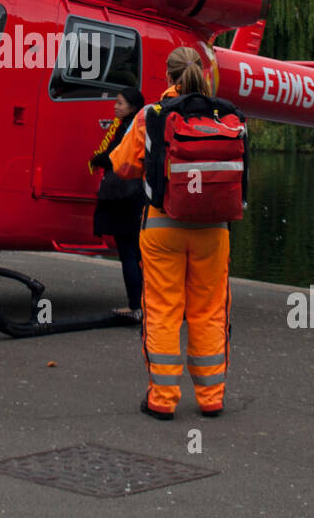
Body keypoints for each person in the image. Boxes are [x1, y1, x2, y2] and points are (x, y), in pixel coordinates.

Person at [109, 48, 231, 420]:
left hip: (163, 226)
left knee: (162, 310)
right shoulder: (225, 113)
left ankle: (162, 400)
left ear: (167, 76)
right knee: (209, 311)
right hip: (214, 227)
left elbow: (123, 166)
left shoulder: (152, 115)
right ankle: (211, 398)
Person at [88, 86, 146, 319]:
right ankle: (147, 303)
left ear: (132, 107)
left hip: (124, 197)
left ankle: (135, 305)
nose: (116, 106)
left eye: (120, 103)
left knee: (129, 253)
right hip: (135, 196)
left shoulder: (128, 129)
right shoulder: (136, 125)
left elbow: (113, 157)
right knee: (138, 253)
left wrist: (95, 159)